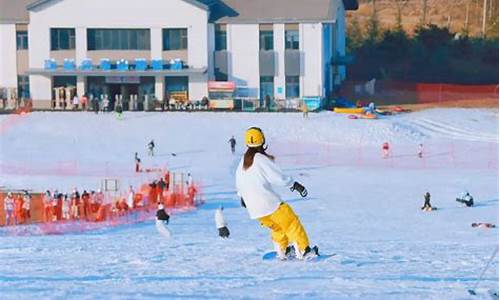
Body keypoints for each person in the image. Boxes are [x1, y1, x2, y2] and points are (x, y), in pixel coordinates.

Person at [235, 127, 317, 260]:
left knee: (278, 228)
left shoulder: (243, 161)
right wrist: (294, 185)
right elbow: (277, 177)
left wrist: (242, 197)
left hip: (254, 209)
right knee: (291, 223)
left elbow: (239, 181)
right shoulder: (260, 159)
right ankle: (304, 250)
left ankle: (282, 250)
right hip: (269, 204)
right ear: (262, 140)